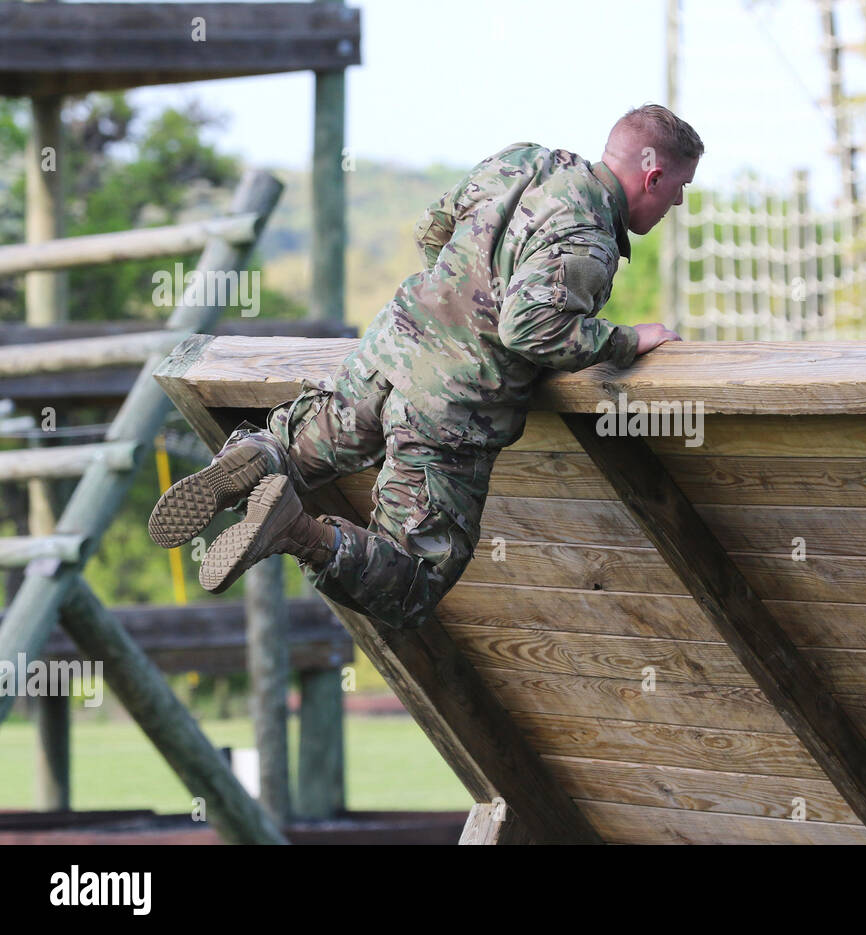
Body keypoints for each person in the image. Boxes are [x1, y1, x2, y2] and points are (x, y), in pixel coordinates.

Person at [149, 104, 703, 630]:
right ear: (652, 176)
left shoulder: (522, 161)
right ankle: (295, 530)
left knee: (305, 446)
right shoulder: (589, 237)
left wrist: (448, 308)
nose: (677, 204)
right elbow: (530, 329)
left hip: (389, 353)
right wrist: (629, 340)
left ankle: (255, 455)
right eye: (679, 189)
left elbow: (431, 227)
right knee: (413, 582)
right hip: (451, 407)